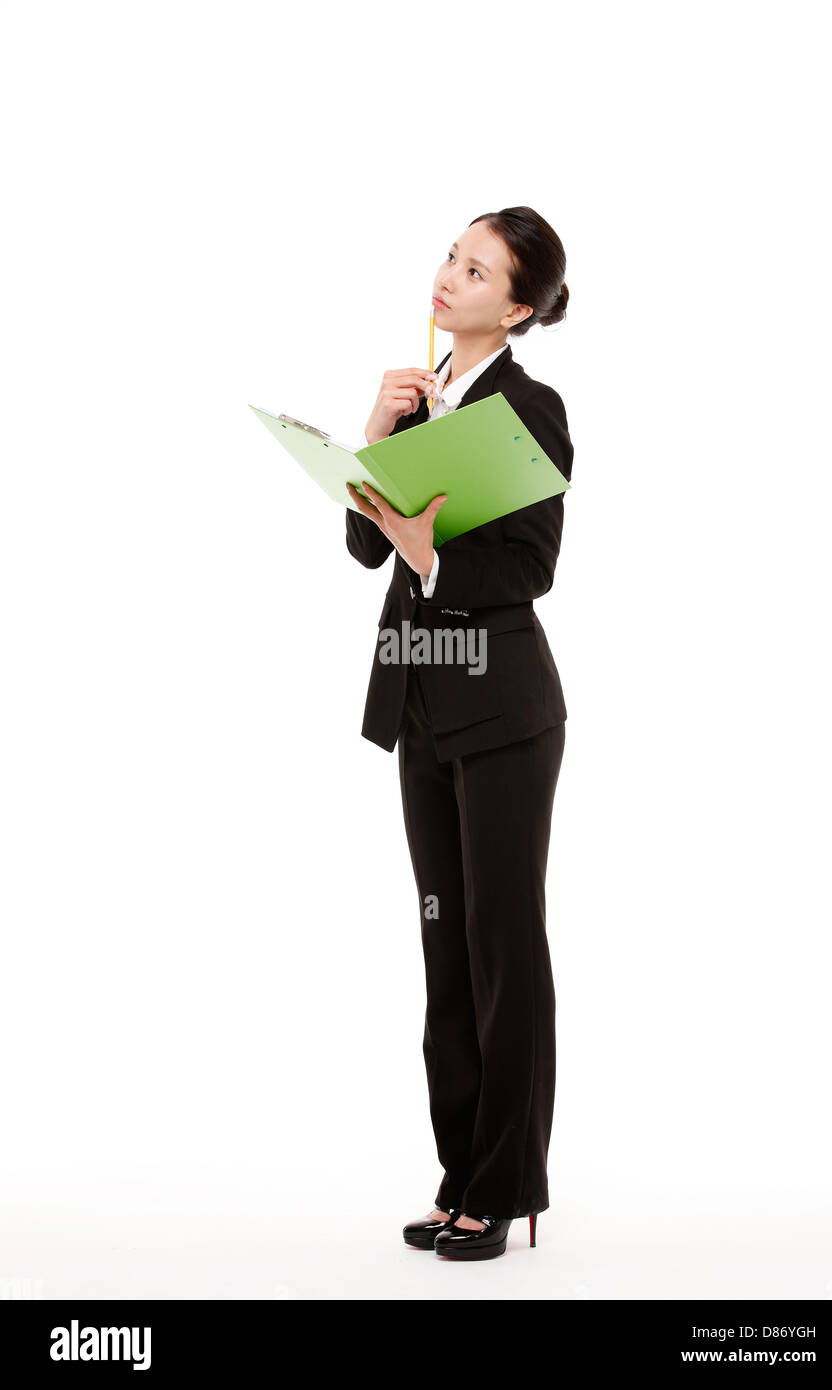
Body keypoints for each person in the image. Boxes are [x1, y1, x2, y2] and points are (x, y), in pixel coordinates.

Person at [345, 207, 573, 1261]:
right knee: (445, 945)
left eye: (475, 270)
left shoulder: (530, 407)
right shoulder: (424, 397)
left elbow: (528, 566)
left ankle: (505, 1184)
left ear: (516, 307)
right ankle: (457, 1180)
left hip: (504, 713)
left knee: (499, 946)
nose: (448, 276)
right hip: (424, 704)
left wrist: (434, 558)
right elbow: (362, 543)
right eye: (450, 255)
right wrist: (380, 431)